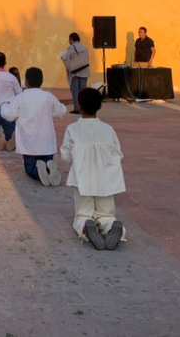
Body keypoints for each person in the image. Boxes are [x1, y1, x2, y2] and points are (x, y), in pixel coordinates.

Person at [60, 88, 126, 250]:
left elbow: (65, 156)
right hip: (106, 180)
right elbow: (118, 154)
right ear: (99, 106)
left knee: (83, 213)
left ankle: (86, 226)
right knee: (106, 213)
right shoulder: (108, 129)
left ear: (80, 106)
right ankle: (112, 226)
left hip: (83, 180)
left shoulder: (72, 129)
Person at [1, 67, 67, 187]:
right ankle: (50, 168)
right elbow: (61, 112)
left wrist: (4, 105)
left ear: (26, 82)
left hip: (29, 143)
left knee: (29, 168)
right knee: (47, 161)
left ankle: (37, 172)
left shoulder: (20, 97)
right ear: (41, 81)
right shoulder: (48, 96)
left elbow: (8, 115)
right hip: (46, 142)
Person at [61, 33, 91, 114]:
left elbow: (66, 58)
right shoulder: (85, 47)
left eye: (69, 40)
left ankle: (77, 108)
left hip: (75, 72)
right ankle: (84, 108)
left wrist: (62, 58)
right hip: (85, 71)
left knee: (75, 91)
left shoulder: (71, 47)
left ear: (71, 39)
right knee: (83, 91)